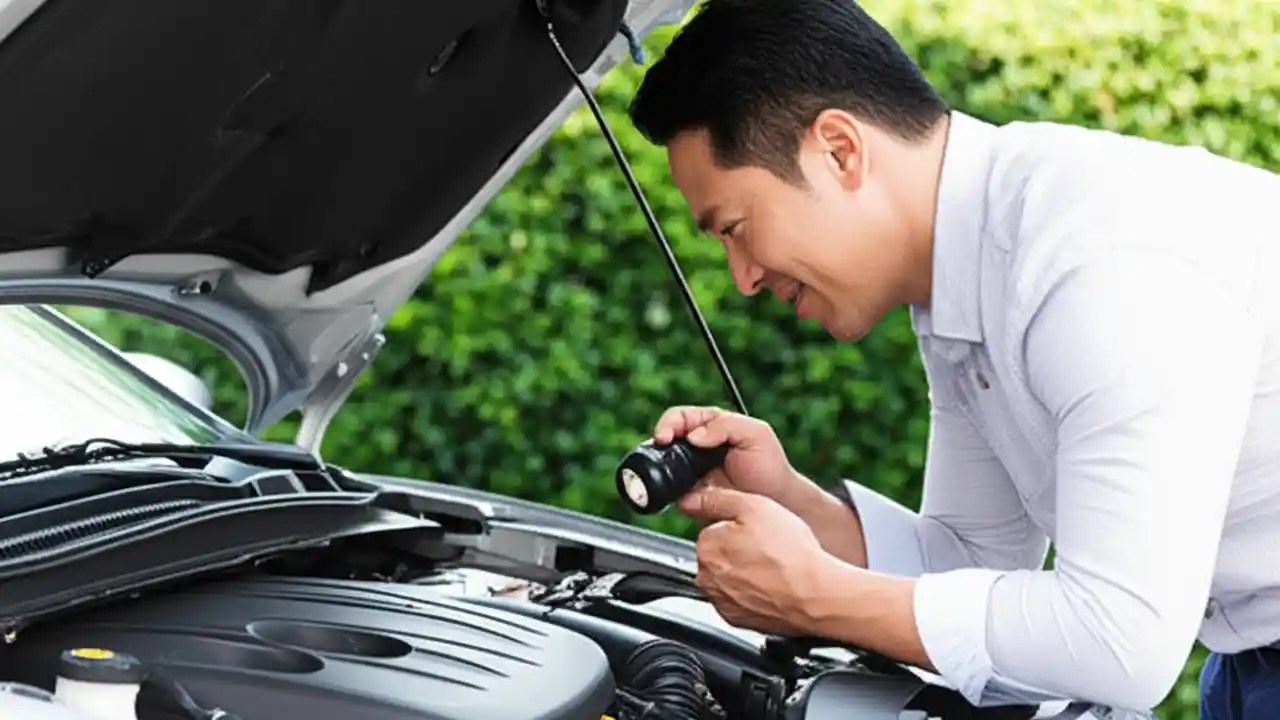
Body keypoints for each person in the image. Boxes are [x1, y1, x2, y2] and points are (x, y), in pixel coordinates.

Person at [624, 0, 1280, 717]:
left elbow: (1119, 640)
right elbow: (969, 567)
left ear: (839, 149)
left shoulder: (1097, 266)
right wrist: (792, 501)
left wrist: (814, 596)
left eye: (737, 228)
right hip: (1248, 663)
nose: (742, 276)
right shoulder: (968, 276)